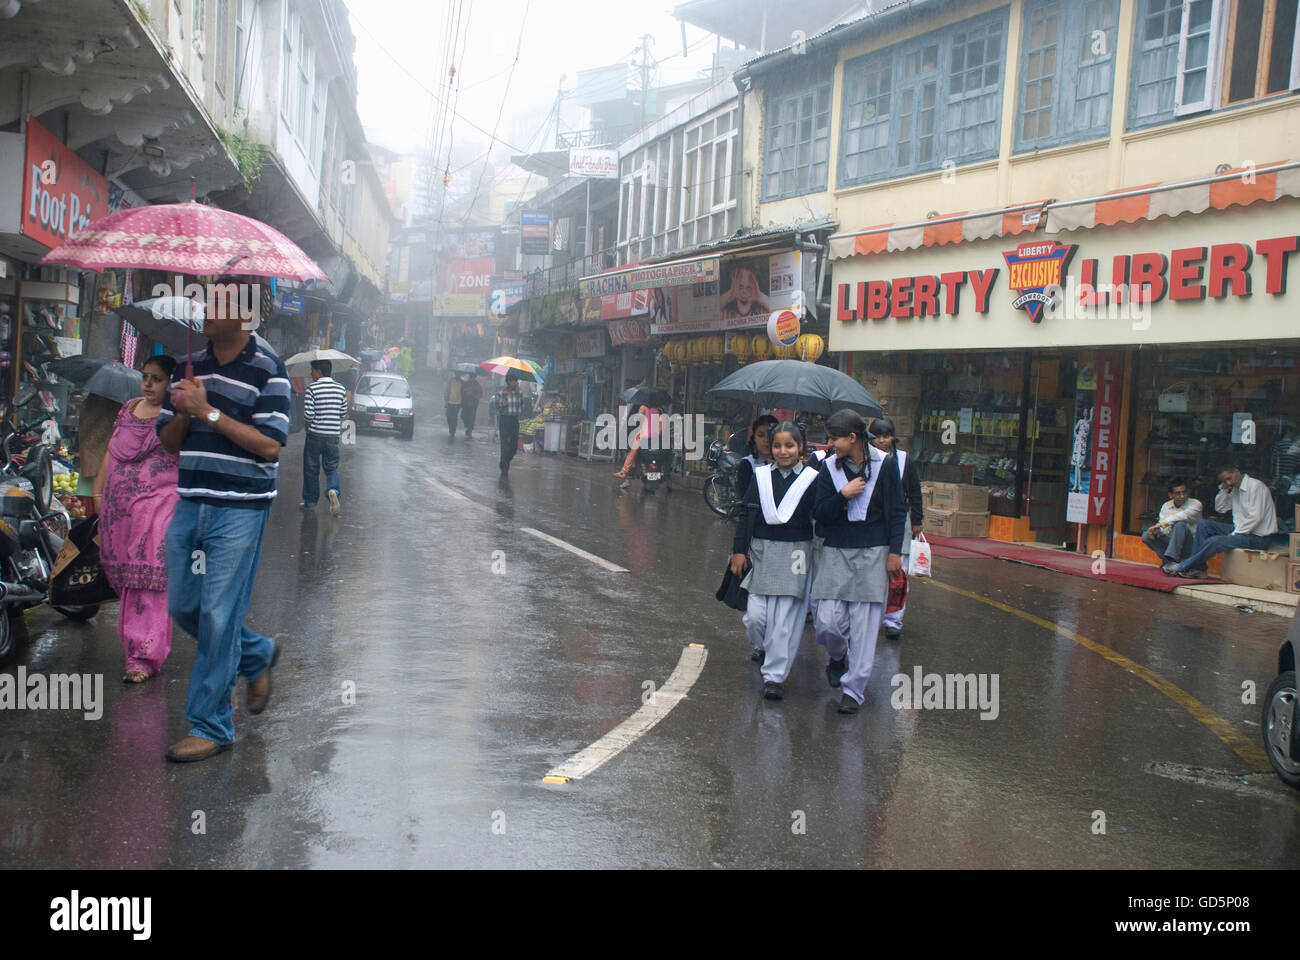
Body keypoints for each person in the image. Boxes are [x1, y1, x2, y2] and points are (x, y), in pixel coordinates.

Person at [157, 282, 291, 763]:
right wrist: (181, 413)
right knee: (184, 606)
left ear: (245, 314)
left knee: (217, 615)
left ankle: (211, 724)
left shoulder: (268, 369)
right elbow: (170, 443)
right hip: (191, 502)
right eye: (205, 301)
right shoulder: (187, 366)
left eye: (218, 304)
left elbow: (271, 446)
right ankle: (254, 654)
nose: (206, 311)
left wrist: (207, 411)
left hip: (240, 507)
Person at [811, 410, 906, 714]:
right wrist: (843, 495)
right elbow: (821, 513)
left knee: (865, 627)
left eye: (834, 438)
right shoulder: (828, 469)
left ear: (852, 438)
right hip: (836, 550)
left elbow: (897, 510)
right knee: (827, 621)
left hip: (874, 551)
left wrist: (895, 552)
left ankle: (854, 690)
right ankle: (837, 656)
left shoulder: (886, 465)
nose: (830, 444)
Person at [93, 355, 181, 684]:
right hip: (119, 507)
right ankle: (136, 645)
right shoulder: (129, 408)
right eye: (145, 376)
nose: (148, 384)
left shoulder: (176, 416)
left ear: (170, 382)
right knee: (125, 577)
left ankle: (143, 654)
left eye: (157, 378)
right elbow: (112, 450)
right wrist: (98, 493)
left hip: (157, 504)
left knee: (148, 577)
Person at [729, 422, 819, 700]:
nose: (783, 451)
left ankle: (774, 678)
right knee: (756, 617)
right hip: (762, 552)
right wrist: (738, 550)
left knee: (784, 621)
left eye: (789, 445)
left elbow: (820, 517)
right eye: (777, 445)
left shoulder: (812, 479)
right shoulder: (761, 477)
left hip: (796, 554)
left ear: (800, 448)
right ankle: (764, 647)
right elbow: (746, 513)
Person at [869, 417, 923, 640]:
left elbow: (915, 492)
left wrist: (918, 521)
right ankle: (872, 618)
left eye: (886, 435)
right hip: (874, 524)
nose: (882, 441)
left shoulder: (903, 460)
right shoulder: (865, 460)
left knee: (898, 575)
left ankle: (893, 620)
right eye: (878, 436)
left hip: (900, 524)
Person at [1176, 465, 1278, 578]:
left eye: (1229, 478)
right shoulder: (1235, 489)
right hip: (1241, 531)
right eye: (1224, 481)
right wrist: (1223, 490)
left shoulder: (1256, 487)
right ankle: (1198, 569)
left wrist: (1235, 534)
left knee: (1215, 541)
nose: (1228, 483)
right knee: (1203, 524)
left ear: (1237, 472)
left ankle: (1184, 567)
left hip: (1258, 537)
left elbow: (1256, 517)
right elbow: (1220, 508)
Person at [302, 359, 347, 517]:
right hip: (332, 435)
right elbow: (343, 413)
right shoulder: (341, 388)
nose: (311, 374)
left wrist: (307, 426)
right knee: (331, 467)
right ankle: (333, 490)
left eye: (312, 370)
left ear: (318, 371)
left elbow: (309, 414)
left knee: (311, 469)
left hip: (315, 434)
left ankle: (310, 502)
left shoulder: (312, 388)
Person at [1143, 478, 1203, 575]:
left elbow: (1182, 516)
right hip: (1173, 544)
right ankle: (1171, 563)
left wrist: (1162, 524)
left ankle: (1172, 560)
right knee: (1146, 536)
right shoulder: (1166, 506)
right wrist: (1157, 531)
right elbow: (1164, 529)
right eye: (1178, 493)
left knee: (1180, 525)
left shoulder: (1196, 504)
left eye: (1184, 492)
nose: (1182, 496)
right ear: (1170, 495)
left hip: (1191, 545)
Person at [734, 414, 778, 501]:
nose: (766, 440)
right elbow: (744, 498)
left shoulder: (785, 463)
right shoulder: (747, 464)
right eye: (761, 435)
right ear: (754, 438)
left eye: (770, 435)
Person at [496, 371, 527, 476]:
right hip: (504, 420)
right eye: (514, 381)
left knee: (513, 447)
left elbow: (522, 406)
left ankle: (504, 462)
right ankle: (504, 467)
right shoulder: (502, 393)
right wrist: (503, 405)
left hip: (514, 420)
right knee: (504, 445)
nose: (516, 383)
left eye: (516, 381)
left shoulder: (520, 393)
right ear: (509, 382)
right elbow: (498, 408)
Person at [460, 373, 483, 439]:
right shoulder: (466, 384)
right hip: (465, 404)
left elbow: (480, 395)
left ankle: (469, 431)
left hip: (473, 405)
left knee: (471, 418)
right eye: (471, 377)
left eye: (473, 377)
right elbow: (461, 391)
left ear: (475, 377)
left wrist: (472, 394)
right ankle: (467, 427)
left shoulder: (477, 385)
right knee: (463, 416)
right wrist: (465, 391)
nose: (471, 378)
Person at [445, 373, 464, 438]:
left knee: (454, 417)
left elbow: (463, 392)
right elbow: (447, 390)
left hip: (457, 403)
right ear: (455, 374)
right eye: (457, 374)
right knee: (448, 416)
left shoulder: (462, 382)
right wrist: (446, 401)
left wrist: (462, 402)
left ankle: (452, 431)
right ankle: (451, 428)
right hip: (450, 402)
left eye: (459, 375)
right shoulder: (450, 381)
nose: (458, 376)